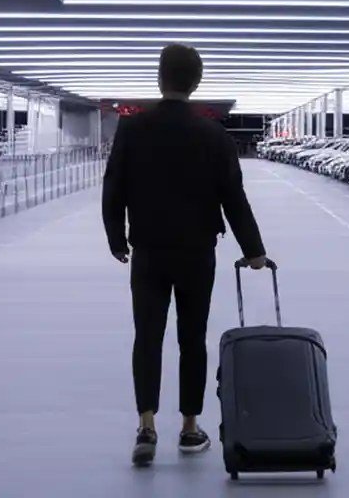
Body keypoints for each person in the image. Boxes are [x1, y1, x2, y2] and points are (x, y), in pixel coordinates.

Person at [102, 43, 268, 467]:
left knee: (148, 336)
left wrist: (117, 239)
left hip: (149, 251)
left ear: (160, 79)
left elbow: (113, 187)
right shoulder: (214, 136)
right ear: (196, 84)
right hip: (197, 252)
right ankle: (190, 429)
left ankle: (146, 425)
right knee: (192, 339)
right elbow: (234, 197)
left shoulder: (133, 130)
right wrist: (254, 251)